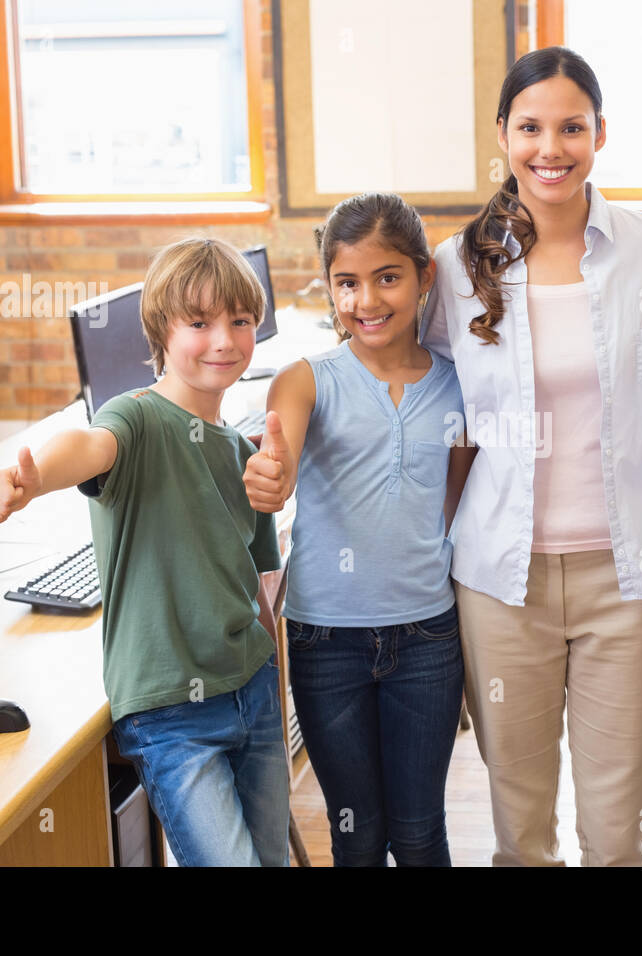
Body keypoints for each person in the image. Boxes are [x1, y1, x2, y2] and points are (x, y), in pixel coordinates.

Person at [421, 46, 642, 867]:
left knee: (619, 834)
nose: (550, 147)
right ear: (504, 136)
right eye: (531, 128)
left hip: (629, 581)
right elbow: (411, 390)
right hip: (498, 578)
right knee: (520, 833)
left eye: (571, 127)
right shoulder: (454, 264)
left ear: (600, 134)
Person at [0, 237, 288, 866]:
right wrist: (34, 479)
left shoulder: (238, 450)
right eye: (199, 323)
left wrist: (273, 681)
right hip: (172, 715)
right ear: (161, 332)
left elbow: (257, 589)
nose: (224, 340)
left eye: (240, 320)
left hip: (252, 692)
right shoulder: (137, 421)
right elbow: (89, 447)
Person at [244, 193, 466, 866]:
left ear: (425, 276)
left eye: (387, 277)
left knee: (421, 830)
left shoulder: (461, 384)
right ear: (331, 287)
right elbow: (277, 447)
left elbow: (468, 499)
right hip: (325, 640)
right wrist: (271, 474)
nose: (367, 299)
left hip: (428, 634)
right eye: (348, 282)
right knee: (356, 832)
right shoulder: (307, 380)